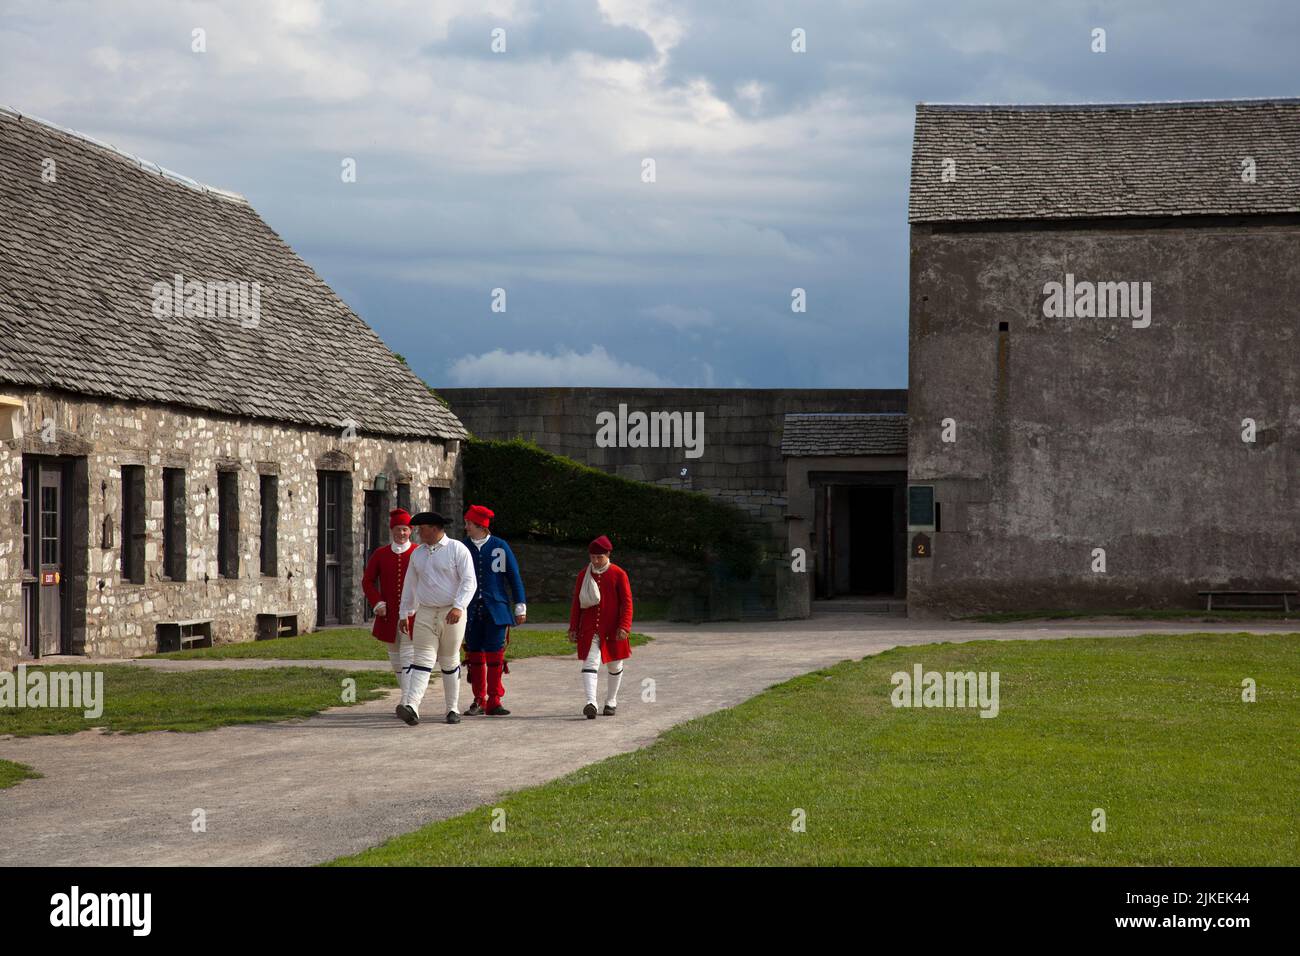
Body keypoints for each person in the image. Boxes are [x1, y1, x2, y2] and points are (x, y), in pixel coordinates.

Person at [396, 511, 476, 725]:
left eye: (421, 528)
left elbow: (469, 581)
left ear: (434, 528)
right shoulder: (418, 554)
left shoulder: (457, 549)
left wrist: (459, 607)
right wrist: (405, 612)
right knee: (422, 658)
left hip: (452, 612)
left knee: (449, 660)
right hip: (425, 612)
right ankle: (412, 706)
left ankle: (452, 708)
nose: (418, 533)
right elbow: (410, 585)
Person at [461, 504, 527, 716]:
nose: (466, 527)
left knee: (495, 654)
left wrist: (520, 606)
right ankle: (478, 699)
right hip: (470, 609)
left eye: (468, 523)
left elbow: (513, 576)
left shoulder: (500, 546)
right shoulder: (462, 547)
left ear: (479, 525)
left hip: (496, 608)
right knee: (474, 654)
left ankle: (495, 699)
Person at [567, 535, 633, 719]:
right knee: (590, 662)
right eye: (592, 557)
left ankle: (611, 701)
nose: (595, 561)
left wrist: (625, 626)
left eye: (599, 557)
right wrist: (573, 627)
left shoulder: (619, 574)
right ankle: (591, 702)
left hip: (613, 628)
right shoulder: (583, 575)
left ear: (608, 554)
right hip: (590, 628)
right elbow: (576, 603)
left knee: (614, 665)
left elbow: (627, 603)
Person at [361, 508, 416, 700]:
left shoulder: (418, 552)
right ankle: (406, 694)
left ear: (410, 531)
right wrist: (377, 602)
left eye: (405, 530)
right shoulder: (380, 553)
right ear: (392, 530)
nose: (402, 533)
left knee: (409, 655)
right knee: (395, 657)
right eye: (398, 529)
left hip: (412, 614)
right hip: (389, 613)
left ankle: (407, 699)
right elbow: (367, 581)